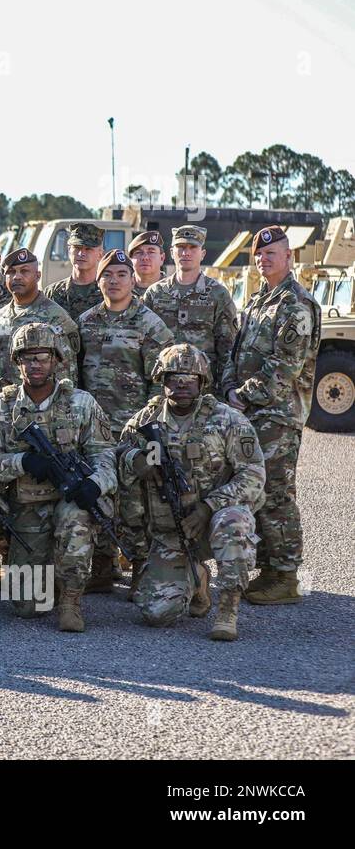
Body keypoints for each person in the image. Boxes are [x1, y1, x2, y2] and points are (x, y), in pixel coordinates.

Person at [116, 345, 265, 640]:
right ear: (162, 380)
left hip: (214, 523)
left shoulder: (228, 420)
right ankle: (198, 580)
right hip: (170, 528)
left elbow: (254, 474)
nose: (182, 385)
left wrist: (209, 506)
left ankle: (227, 610)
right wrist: (136, 461)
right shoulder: (145, 419)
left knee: (234, 520)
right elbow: (119, 455)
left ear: (202, 382)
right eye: (174, 378)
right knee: (156, 614)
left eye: (191, 378)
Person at [0, 323, 115, 632]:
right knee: (27, 606)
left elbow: (105, 455)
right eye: (27, 358)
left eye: (42, 357)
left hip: (70, 500)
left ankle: (71, 600)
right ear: (17, 362)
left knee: (78, 519)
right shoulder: (1, 406)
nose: (35, 364)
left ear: (56, 360)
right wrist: (22, 461)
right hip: (26, 506)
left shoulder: (81, 403)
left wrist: (95, 483)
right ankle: (45, 573)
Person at [222, 225, 321, 606]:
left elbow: (284, 369)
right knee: (256, 490)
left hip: (277, 417)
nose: (264, 259)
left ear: (289, 257)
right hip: (250, 413)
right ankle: (268, 570)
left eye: (272, 254)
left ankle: (286, 576)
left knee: (277, 492)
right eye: (259, 255)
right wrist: (230, 388)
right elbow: (235, 352)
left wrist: (240, 399)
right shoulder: (257, 300)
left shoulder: (295, 304)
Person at [77, 249, 174, 592]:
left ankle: (140, 569)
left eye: (121, 274)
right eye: (107, 275)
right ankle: (102, 566)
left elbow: (162, 384)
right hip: (94, 431)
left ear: (133, 280)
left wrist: (150, 429)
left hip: (133, 431)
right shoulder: (86, 322)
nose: (114, 280)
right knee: (99, 496)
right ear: (99, 281)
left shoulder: (150, 324)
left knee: (135, 503)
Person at [142, 224, 239, 389]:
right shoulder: (155, 293)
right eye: (180, 247)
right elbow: (142, 343)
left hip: (203, 388)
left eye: (192, 247)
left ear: (203, 254)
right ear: (172, 252)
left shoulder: (218, 295)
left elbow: (227, 349)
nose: (186, 253)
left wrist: (226, 389)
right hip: (162, 388)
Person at [0, 248, 79, 402]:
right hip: (4, 413)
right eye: (11, 272)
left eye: (24, 271)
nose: (17, 277)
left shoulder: (56, 318)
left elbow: (68, 377)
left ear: (37, 276)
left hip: (45, 412)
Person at [45, 222, 105, 323]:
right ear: (69, 250)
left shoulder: (107, 292)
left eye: (88, 249)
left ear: (100, 255)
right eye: (77, 248)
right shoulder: (52, 293)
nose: (81, 254)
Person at [128, 230, 166, 295]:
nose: (145, 258)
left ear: (162, 258)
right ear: (130, 260)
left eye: (151, 252)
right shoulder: (121, 289)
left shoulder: (174, 289)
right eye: (138, 252)